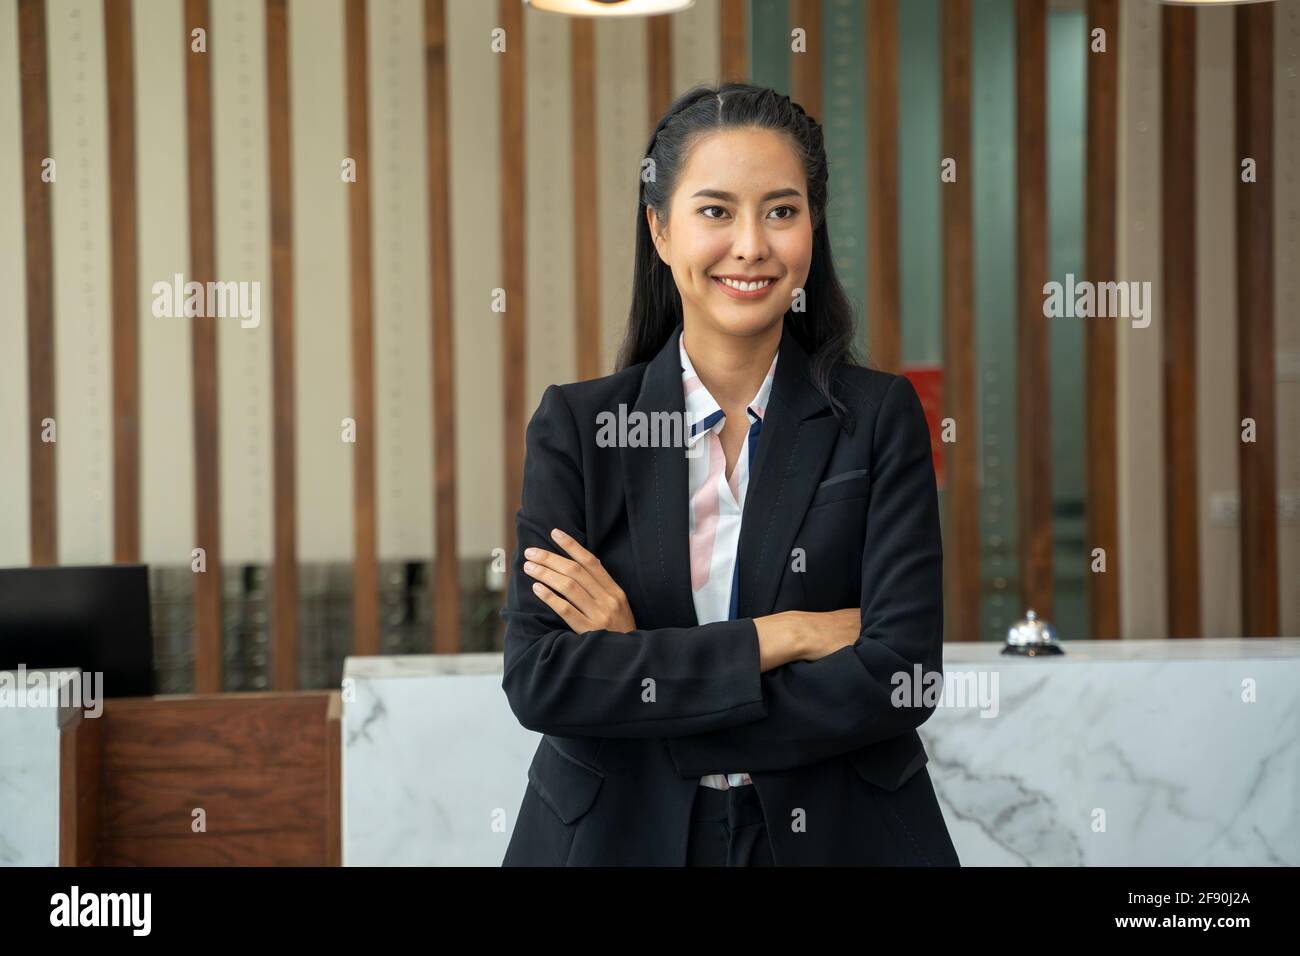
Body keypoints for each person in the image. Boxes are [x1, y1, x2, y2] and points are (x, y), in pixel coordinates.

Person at [500, 82, 958, 867]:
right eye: (716, 211)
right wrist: (787, 637)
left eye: (781, 211)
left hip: (838, 833)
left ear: (813, 228)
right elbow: (544, 680)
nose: (751, 245)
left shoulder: (878, 417)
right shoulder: (580, 429)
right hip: (620, 835)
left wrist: (643, 663)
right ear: (660, 229)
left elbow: (901, 677)